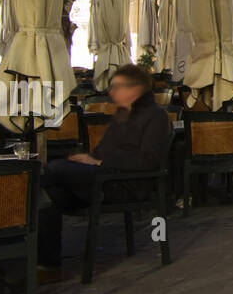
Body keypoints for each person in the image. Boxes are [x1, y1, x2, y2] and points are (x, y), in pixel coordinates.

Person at [37, 64, 173, 282]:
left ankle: (11, 200)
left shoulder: (156, 117)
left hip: (127, 185)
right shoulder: (121, 115)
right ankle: (48, 266)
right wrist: (88, 159)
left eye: (117, 86)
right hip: (103, 177)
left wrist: (98, 161)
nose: (111, 92)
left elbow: (148, 161)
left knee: (52, 171)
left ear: (135, 89)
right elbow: (102, 152)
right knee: (47, 197)